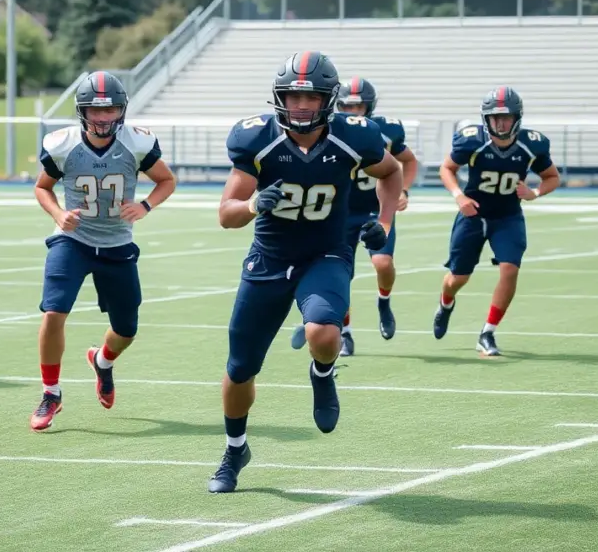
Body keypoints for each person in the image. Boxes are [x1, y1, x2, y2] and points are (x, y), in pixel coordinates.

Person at [208, 51, 402, 493]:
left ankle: (322, 375)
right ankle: (235, 449)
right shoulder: (257, 138)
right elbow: (226, 214)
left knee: (323, 332)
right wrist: (256, 202)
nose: (299, 106)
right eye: (292, 96)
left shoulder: (356, 137)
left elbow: (391, 174)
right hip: (269, 259)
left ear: (327, 100)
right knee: (240, 369)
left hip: (326, 254)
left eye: (310, 97)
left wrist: (384, 222)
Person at [30, 71, 177, 431]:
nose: (103, 118)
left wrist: (145, 206)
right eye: (96, 111)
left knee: (126, 329)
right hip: (74, 240)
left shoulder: (136, 143)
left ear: (121, 110)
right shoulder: (61, 144)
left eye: (111, 109)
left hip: (117, 242)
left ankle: (103, 360)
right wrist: (58, 213)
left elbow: (166, 180)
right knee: (53, 311)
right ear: (82, 112)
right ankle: (51, 392)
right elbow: (42, 188)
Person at [288, 77, 418, 355]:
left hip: (374, 208)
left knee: (383, 263)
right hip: (339, 211)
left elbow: (407, 160)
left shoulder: (386, 130)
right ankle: (345, 332)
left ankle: (383, 301)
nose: (351, 112)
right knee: (338, 276)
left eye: (358, 106)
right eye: (346, 105)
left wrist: (403, 190)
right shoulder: (327, 128)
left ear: (369, 107)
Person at [433, 87, 560, 356]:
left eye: (506, 118)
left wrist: (534, 192)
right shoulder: (472, 141)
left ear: (517, 119)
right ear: (486, 119)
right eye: (495, 118)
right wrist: (458, 196)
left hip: (508, 215)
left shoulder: (532, 144)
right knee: (458, 278)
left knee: (510, 269)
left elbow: (552, 177)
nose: (500, 124)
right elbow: (447, 168)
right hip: (473, 214)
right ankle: (446, 303)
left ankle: (487, 332)